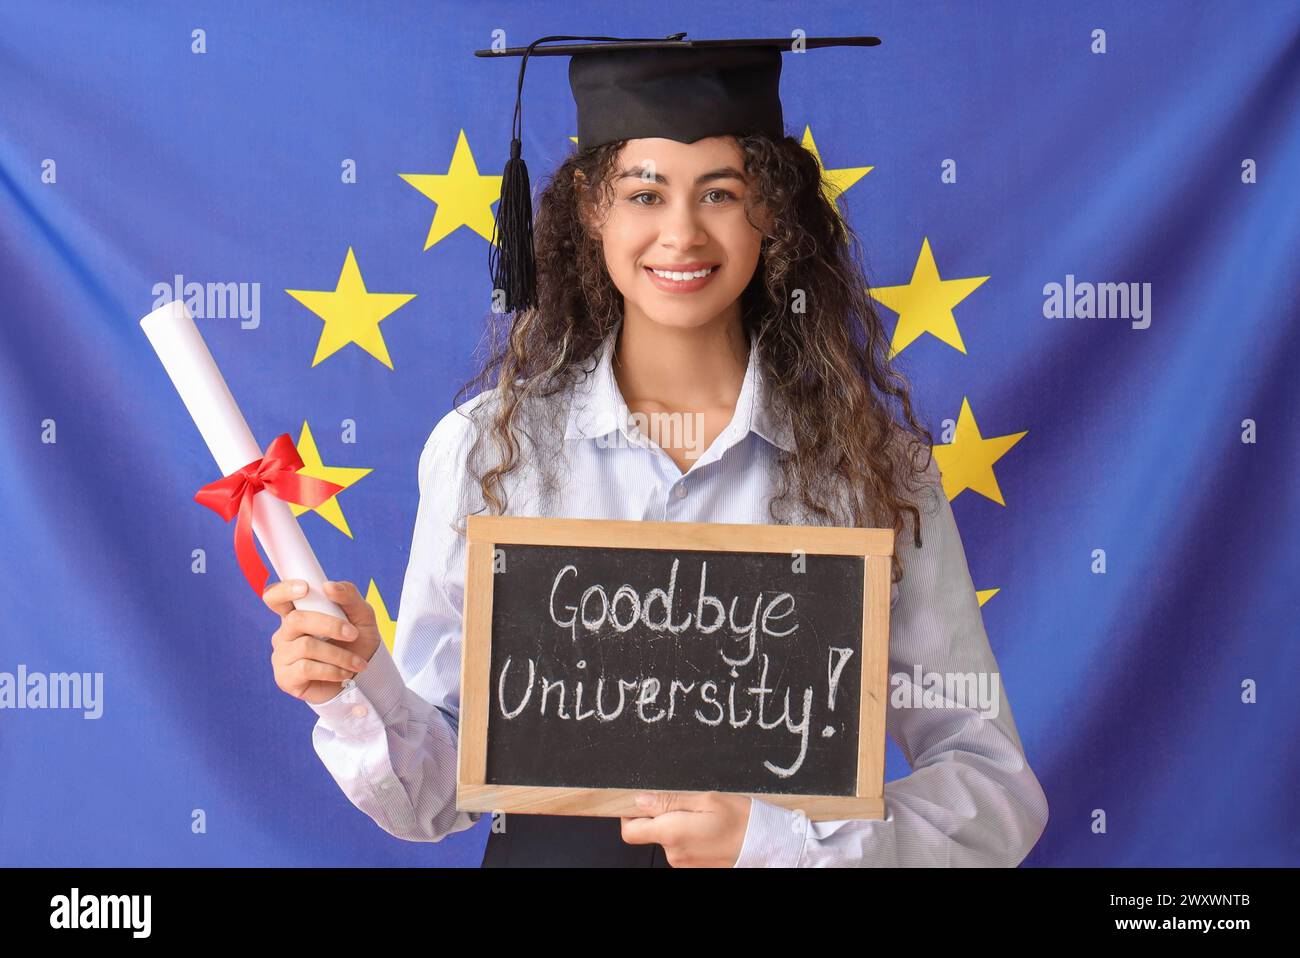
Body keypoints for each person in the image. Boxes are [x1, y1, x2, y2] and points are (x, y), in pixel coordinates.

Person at [262, 33, 1049, 867]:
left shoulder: (873, 471)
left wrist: (780, 844)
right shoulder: (489, 452)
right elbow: (439, 794)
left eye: (719, 193)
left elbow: (993, 789)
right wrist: (359, 685)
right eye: (644, 194)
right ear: (591, 213)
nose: (681, 233)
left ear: (772, 214)